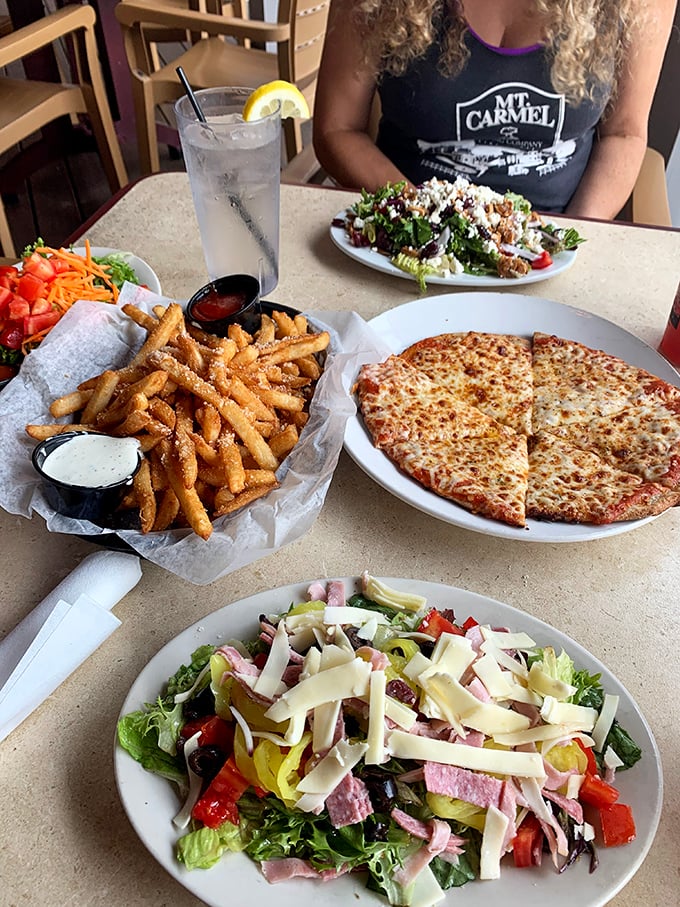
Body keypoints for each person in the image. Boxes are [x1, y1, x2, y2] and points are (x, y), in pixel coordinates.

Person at [312, 0, 676, 216]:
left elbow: (624, 132)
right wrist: (426, 218)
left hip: (555, 239)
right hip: (408, 231)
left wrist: (572, 237)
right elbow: (338, 128)